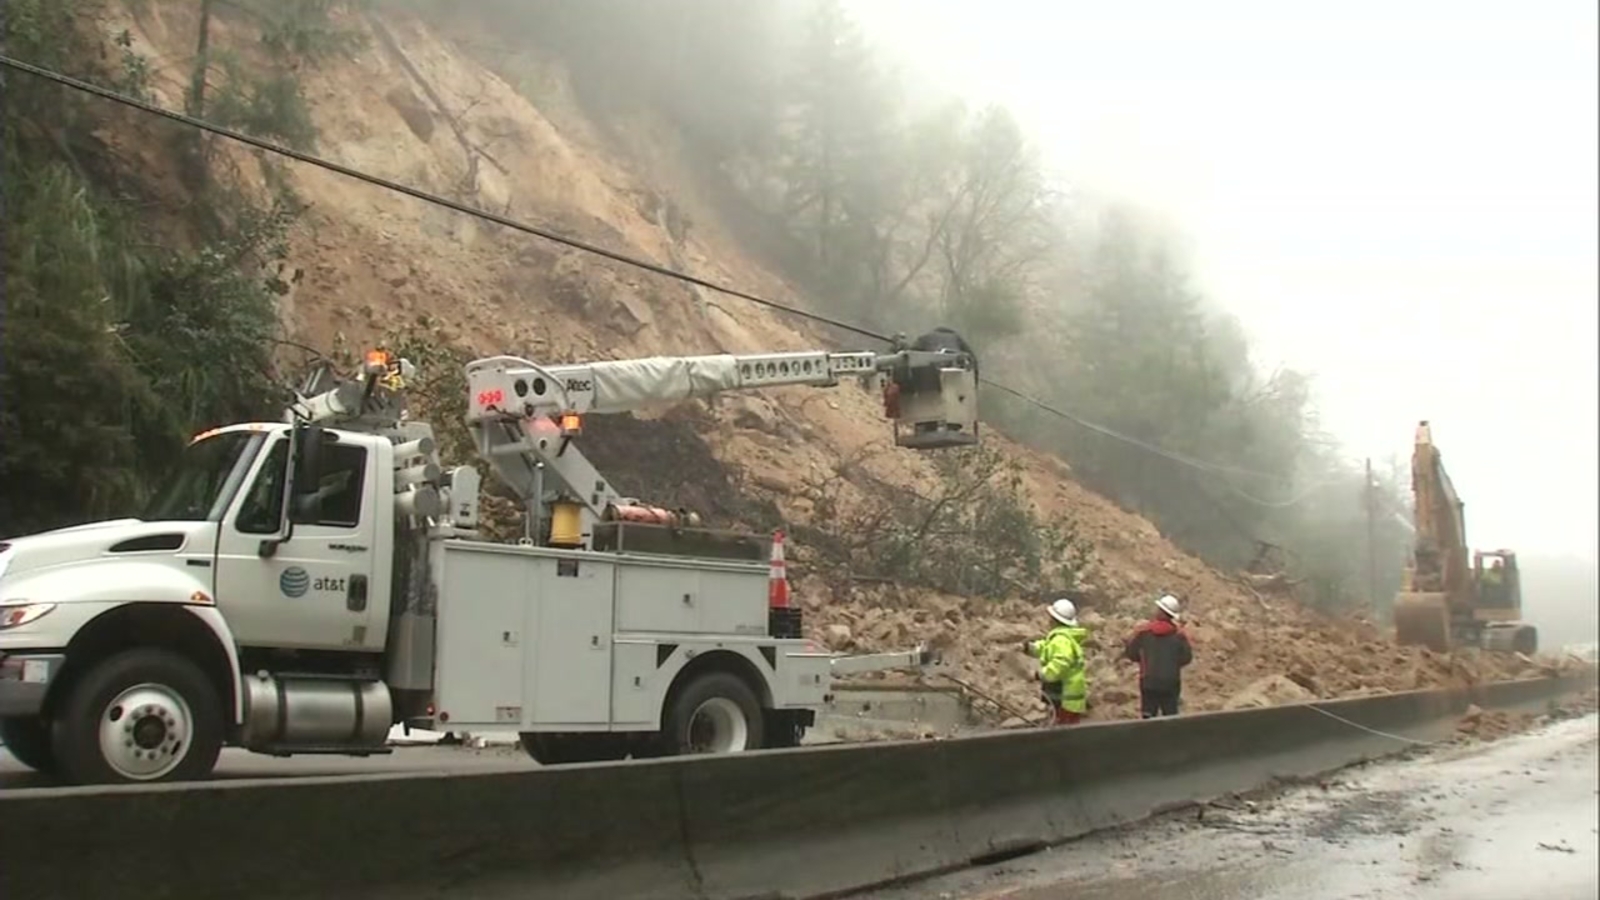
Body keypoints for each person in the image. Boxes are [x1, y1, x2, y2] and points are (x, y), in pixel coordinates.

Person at [1122, 594, 1193, 719]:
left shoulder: (1144, 632)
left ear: (1160, 611)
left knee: (1148, 717)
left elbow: (1131, 653)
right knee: (1171, 717)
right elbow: (1187, 658)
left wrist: (1146, 660)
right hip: (1171, 682)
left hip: (1149, 681)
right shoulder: (1179, 635)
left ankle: (1149, 738)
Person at [1023, 598, 1090, 726]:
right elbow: (1047, 647)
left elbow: (1060, 664)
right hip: (1066, 698)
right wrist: (1030, 648)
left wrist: (1039, 674)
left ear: (1055, 620)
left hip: (1065, 699)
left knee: (1063, 733)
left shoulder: (1061, 640)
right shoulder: (1062, 638)